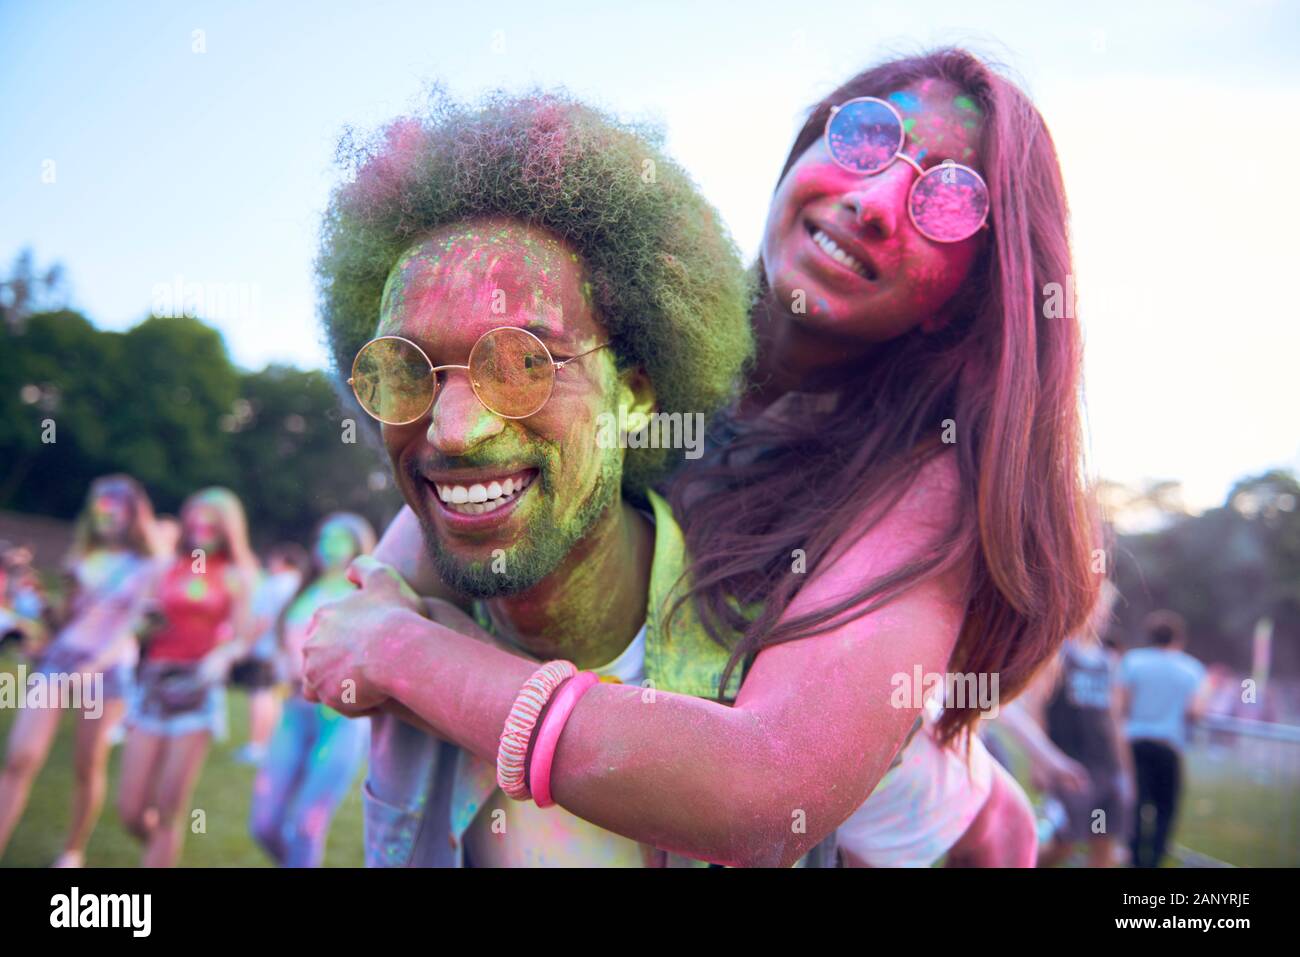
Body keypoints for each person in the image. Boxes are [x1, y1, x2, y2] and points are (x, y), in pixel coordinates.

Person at [307, 47, 1097, 868]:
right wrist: (388, 616)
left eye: (950, 200)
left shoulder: (929, 478)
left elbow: (764, 793)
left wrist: (408, 654)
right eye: (867, 136)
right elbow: (374, 604)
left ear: (967, 295)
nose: (874, 198)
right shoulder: (646, 328)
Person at [0, 475, 161, 867]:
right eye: (100, 505)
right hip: (60, 664)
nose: (106, 512)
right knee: (21, 756)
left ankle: (72, 851)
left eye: (116, 505)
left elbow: (132, 628)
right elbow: (67, 621)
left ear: (133, 514)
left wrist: (92, 667)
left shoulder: (146, 567)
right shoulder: (81, 557)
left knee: (87, 764)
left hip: (103, 676)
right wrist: (43, 609)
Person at [117, 487, 255, 867]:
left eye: (211, 520)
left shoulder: (234, 574)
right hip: (153, 686)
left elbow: (243, 638)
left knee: (169, 809)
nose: (201, 526)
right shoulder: (166, 567)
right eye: (195, 516)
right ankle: (159, 849)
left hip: (197, 690)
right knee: (130, 809)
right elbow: (136, 623)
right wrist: (143, 623)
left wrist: (224, 654)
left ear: (227, 527)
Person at [250, 515, 374, 867]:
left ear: (357, 545)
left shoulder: (367, 595)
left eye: (340, 539)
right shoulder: (301, 590)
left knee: (307, 826)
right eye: (325, 537)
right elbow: (279, 643)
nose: (330, 546)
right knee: (264, 824)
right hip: (293, 713)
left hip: (341, 721)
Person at [1119, 609, 1209, 868]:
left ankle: (1135, 860)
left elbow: (1122, 704)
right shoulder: (1191, 668)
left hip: (1135, 743)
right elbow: (1195, 711)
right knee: (1165, 809)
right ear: (1179, 638)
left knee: (1136, 806)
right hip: (1168, 746)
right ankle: (1154, 860)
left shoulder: (1133, 662)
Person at [230, 543, 310, 766]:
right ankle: (272, 744)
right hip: (289, 655)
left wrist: (245, 645)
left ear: (282, 561)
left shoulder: (273, 584)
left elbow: (262, 621)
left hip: (266, 650)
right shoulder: (303, 585)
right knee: (276, 697)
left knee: (260, 695)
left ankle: (258, 746)